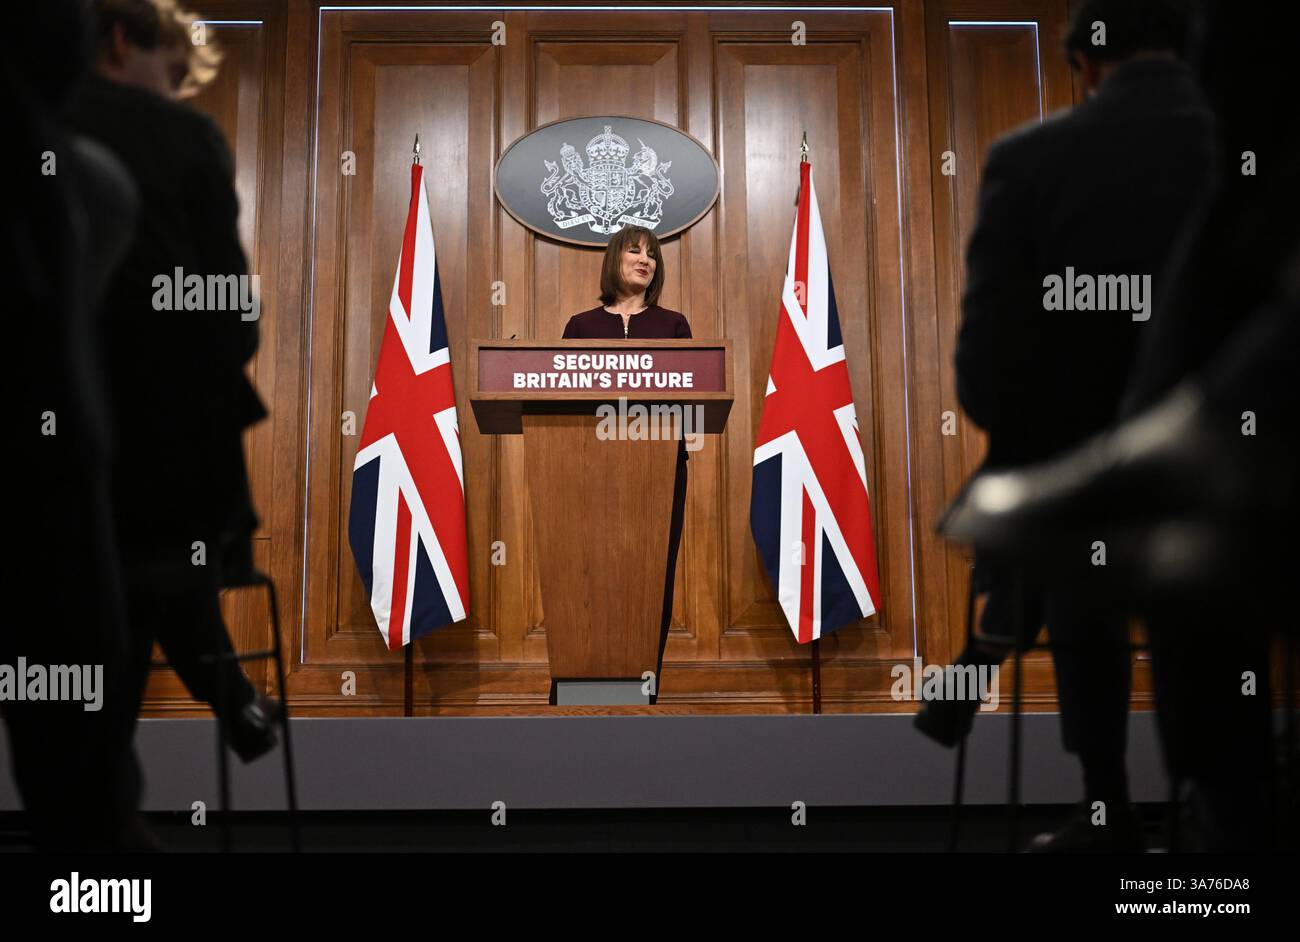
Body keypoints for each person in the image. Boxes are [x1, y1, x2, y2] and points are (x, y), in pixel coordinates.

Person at [917, 0, 1212, 851]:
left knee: (1069, 533)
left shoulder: (1031, 159)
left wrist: (1032, 443)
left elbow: (986, 365)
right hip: (1235, 478)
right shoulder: (1249, 156)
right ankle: (1226, 799)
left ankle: (1103, 803)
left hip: (1075, 481)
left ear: (1084, 63)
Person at [68, 0, 278, 761]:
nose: (177, 92)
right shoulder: (181, 138)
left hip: (40, 438)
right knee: (154, 575)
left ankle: (228, 702)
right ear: (123, 40)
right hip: (163, 439)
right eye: (174, 73)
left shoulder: (27, 126)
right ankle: (229, 702)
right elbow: (231, 316)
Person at [561, 226, 691, 701]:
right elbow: (560, 399)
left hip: (659, 471)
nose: (646, 260)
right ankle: (583, 689)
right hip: (588, 469)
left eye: (653, 255)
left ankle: (644, 687)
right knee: (587, 573)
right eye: (635, 251)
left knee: (651, 574)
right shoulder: (580, 326)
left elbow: (690, 397)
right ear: (613, 258)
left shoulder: (674, 326)